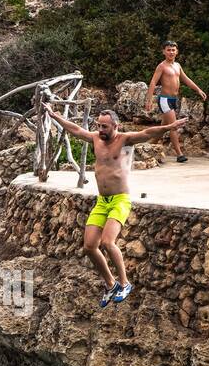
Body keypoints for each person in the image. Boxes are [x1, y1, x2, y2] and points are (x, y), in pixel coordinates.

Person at [43, 103, 188, 307]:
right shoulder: (95, 138)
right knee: (89, 247)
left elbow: (147, 132)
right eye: (99, 125)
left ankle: (124, 282)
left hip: (120, 199)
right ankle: (111, 284)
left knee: (107, 242)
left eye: (105, 127)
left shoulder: (125, 140)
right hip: (102, 201)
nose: (100, 130)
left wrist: (168, 127)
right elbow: (75, 130)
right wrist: (54, 115)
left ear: (115, 126)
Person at [145, 40, 207, 164]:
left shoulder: (177, 65)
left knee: (163, 128)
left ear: (177, 52)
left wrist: (198, 89)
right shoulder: (161, 66)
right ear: (164, 51)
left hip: (174, 100)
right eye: (168, 50)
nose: (171, 52)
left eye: (173, 50)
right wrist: (149, 100)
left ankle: (148, 147)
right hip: (164, 100)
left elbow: (186, 79)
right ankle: (179, 154)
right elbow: (153, 82)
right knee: (174, 126)